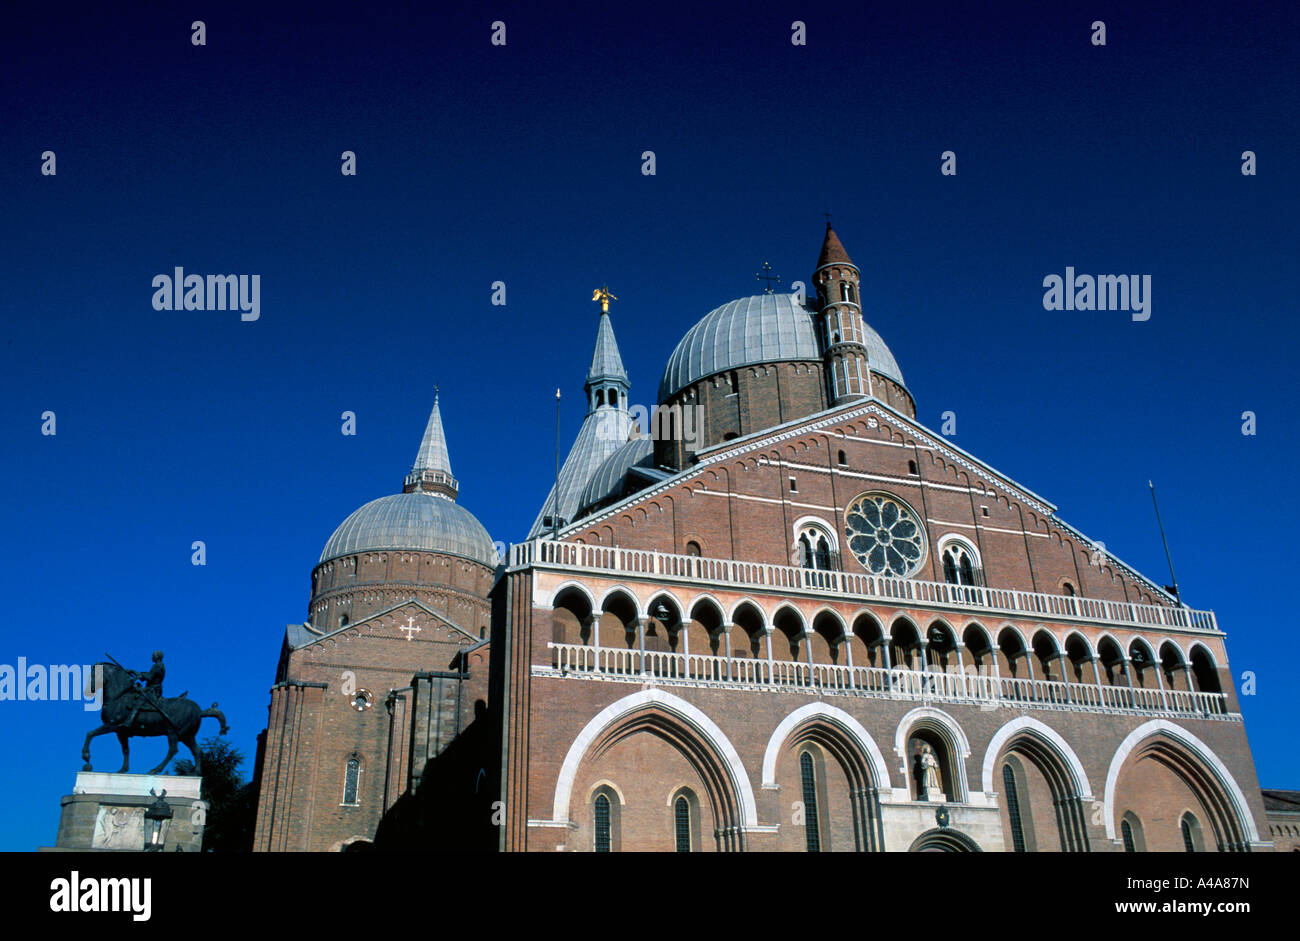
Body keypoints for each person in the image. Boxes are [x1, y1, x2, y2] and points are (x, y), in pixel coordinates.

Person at [125, 651, 165, 728]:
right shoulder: (158, 665)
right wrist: (135, 672)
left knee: (139, 701)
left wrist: (139, 676)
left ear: (157, 657)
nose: (152, 657)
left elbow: (149, 676)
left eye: (153, 656)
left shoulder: (157, 666)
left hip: (153, 690)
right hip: (152, 689)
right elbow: (149, 674)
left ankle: (129, 721)